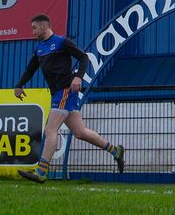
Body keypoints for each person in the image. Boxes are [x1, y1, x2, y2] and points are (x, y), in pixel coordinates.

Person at [14, 14, 124, 183]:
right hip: (58, 92)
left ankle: (41, 172)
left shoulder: (61, 42)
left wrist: (79, 77)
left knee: (50, 130)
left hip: (64, 90)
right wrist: (20, 85)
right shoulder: (40, 49)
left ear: (44, 26)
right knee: (80, 132)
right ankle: (115, 151)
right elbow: (30, 69)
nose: (33, 31)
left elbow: (83, 57)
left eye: (34, 27)